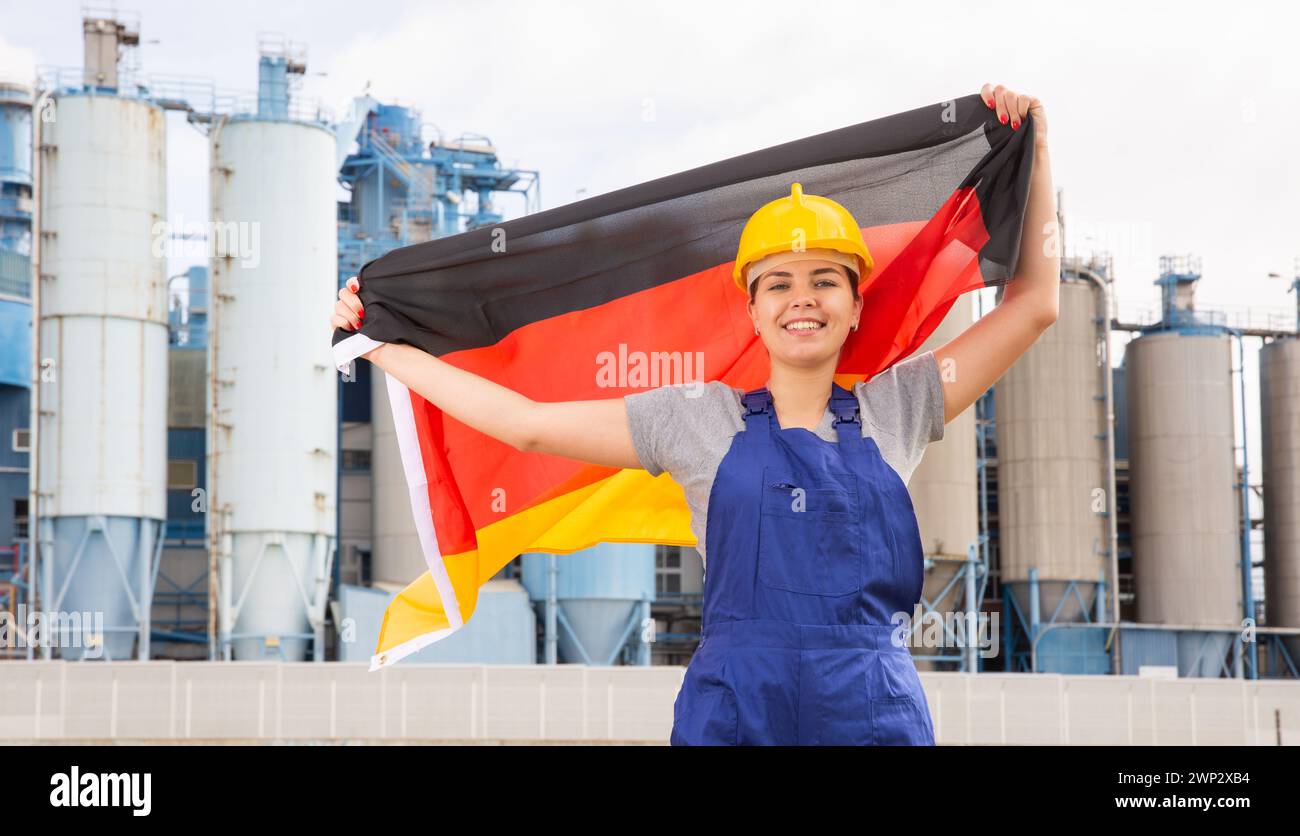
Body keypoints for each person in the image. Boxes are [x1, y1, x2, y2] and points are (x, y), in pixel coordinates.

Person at [331, 84, 1059, 745]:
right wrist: (378, 346)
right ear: (752, 307)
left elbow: (1035, 306)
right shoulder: (698, 420)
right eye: (778, 283)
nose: (801, 298)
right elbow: (526, 422)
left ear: (855, 302)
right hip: (737, 707)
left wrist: (1039, 142)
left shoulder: (899, 406)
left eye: (824, 280)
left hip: (871, 711)